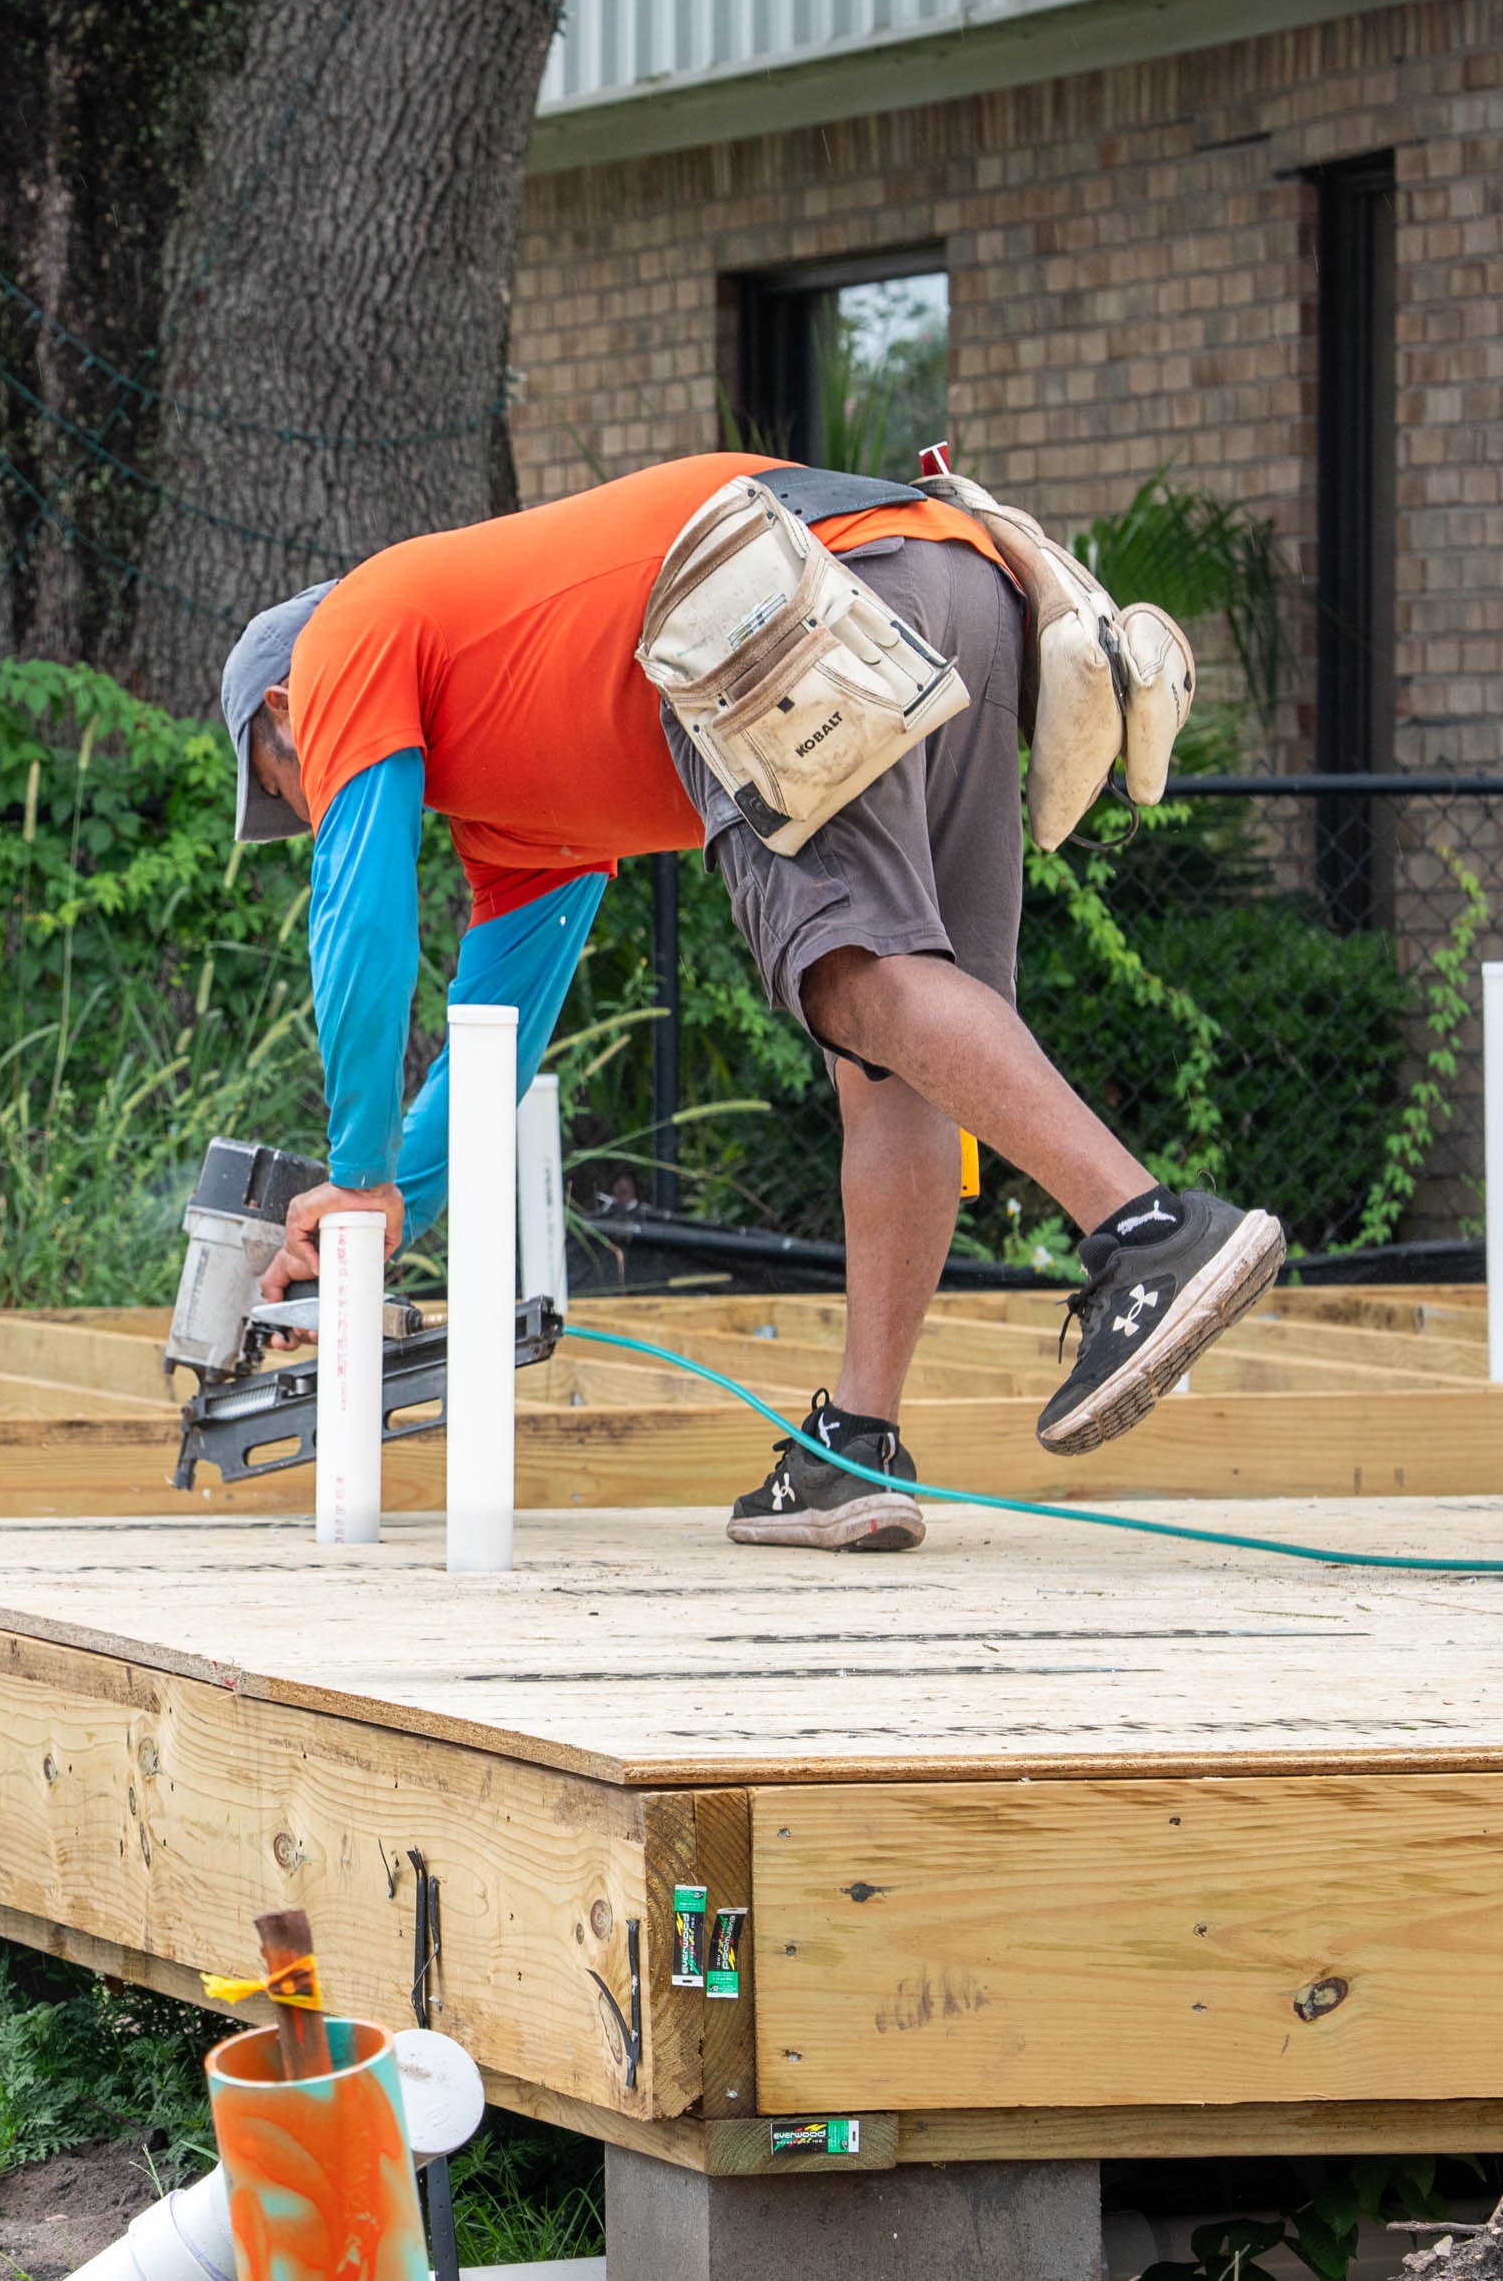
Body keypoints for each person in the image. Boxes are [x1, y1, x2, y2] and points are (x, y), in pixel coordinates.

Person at [226, 449, 1285, 1552]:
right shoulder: (514, 805)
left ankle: (1148, 1231)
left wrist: (351, 1173)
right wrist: (391, 1209)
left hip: (784, 595)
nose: (303, 816)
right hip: (954, 578)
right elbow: (496, 1036)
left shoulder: (345, 635)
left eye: (276, 785)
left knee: (852, 978)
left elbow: (358, 921)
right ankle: (853, 1451)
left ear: (284, 709)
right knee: (903, 1036)